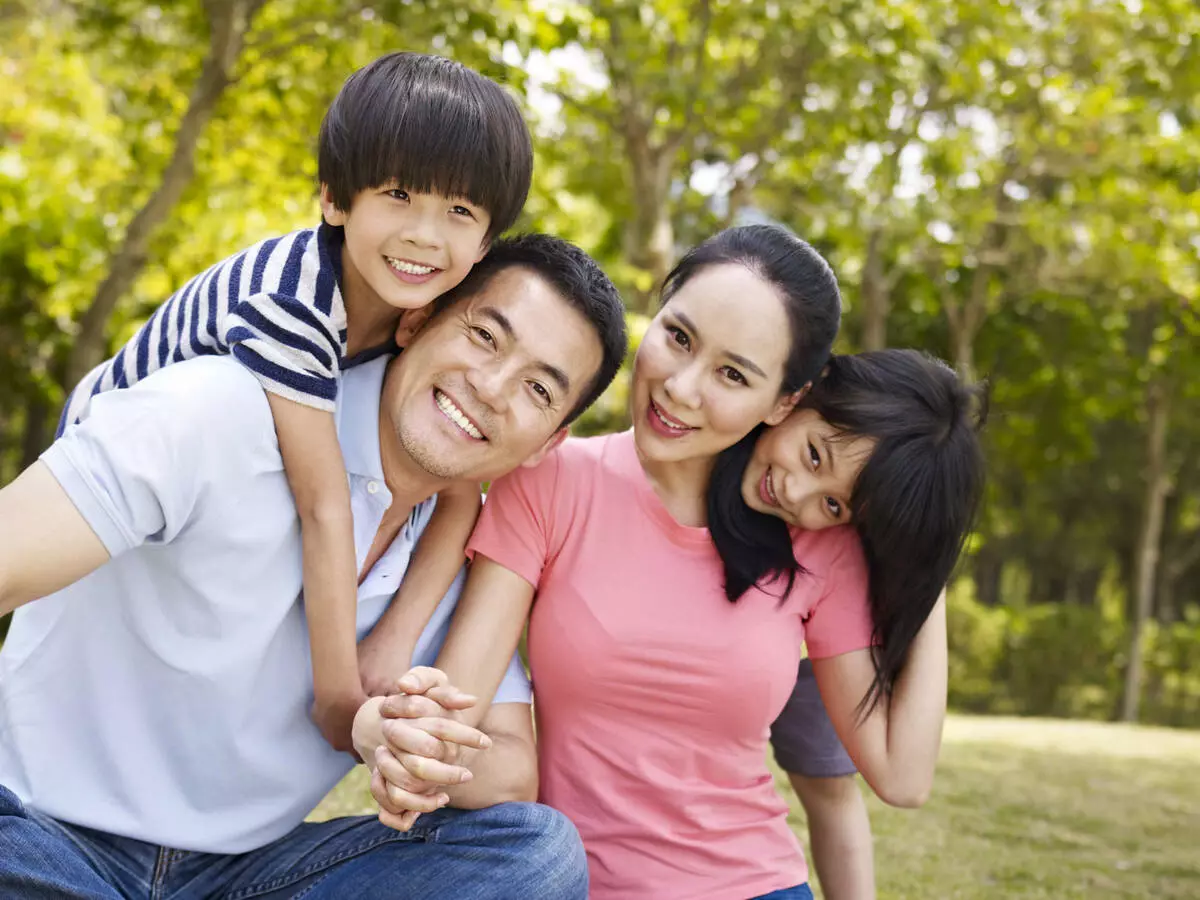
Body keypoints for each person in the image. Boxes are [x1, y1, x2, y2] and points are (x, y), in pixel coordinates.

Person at [360, 227, 986, 899]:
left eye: (733, 374)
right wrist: (405, 741)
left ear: (786, 399)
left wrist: (925, 560)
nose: (681, 390)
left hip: (757, 885)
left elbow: (901, 775)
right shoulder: (550, 480)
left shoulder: (820, 540)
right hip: (571, 881)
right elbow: (459, 708)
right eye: (679, 338)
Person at [0, 234, 628, 899]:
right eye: (485, 337)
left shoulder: (447, 557)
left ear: (550, 442)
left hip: (240, 879)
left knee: (539, 857)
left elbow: (509, 770)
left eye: (538, 388)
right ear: (416, 322)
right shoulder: (223, 412)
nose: (493, 388)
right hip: (43, 835)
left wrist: (408, 745)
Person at [55, 52, 535, 751]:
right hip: (103, 497)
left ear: (486, 240)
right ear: (335, 200)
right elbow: (323, 504)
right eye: (399, 195)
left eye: (459, 211)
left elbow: (461, 492)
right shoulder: (296, 303)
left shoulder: (408, 319)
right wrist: (341, 701)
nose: (425, 235)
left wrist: (397, 634)